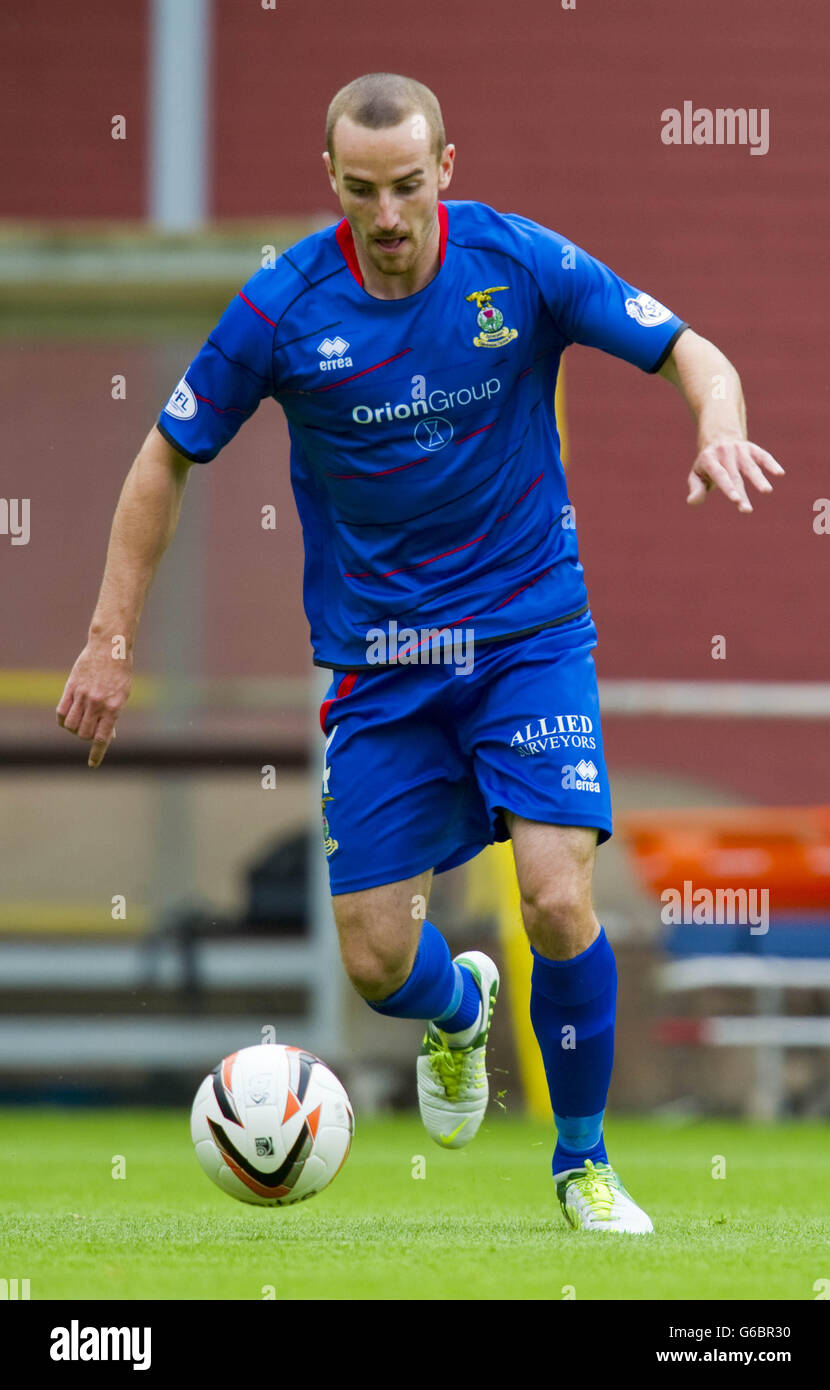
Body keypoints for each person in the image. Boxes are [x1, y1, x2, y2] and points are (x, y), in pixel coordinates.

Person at [57, 72, 783, 1234]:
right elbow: (164, 455)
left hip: (526, 636)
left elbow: (693, 351)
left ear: (446, 168)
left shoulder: (521, 264)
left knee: (555, 896)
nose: (386, 215)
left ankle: (582, 1165)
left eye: (406, 185)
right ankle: (458, 1009)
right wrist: (107, 638)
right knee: (376, 958)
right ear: (330, 181)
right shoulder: (283, 305)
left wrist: (721, 427)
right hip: (379, 667)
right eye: (361, 190)